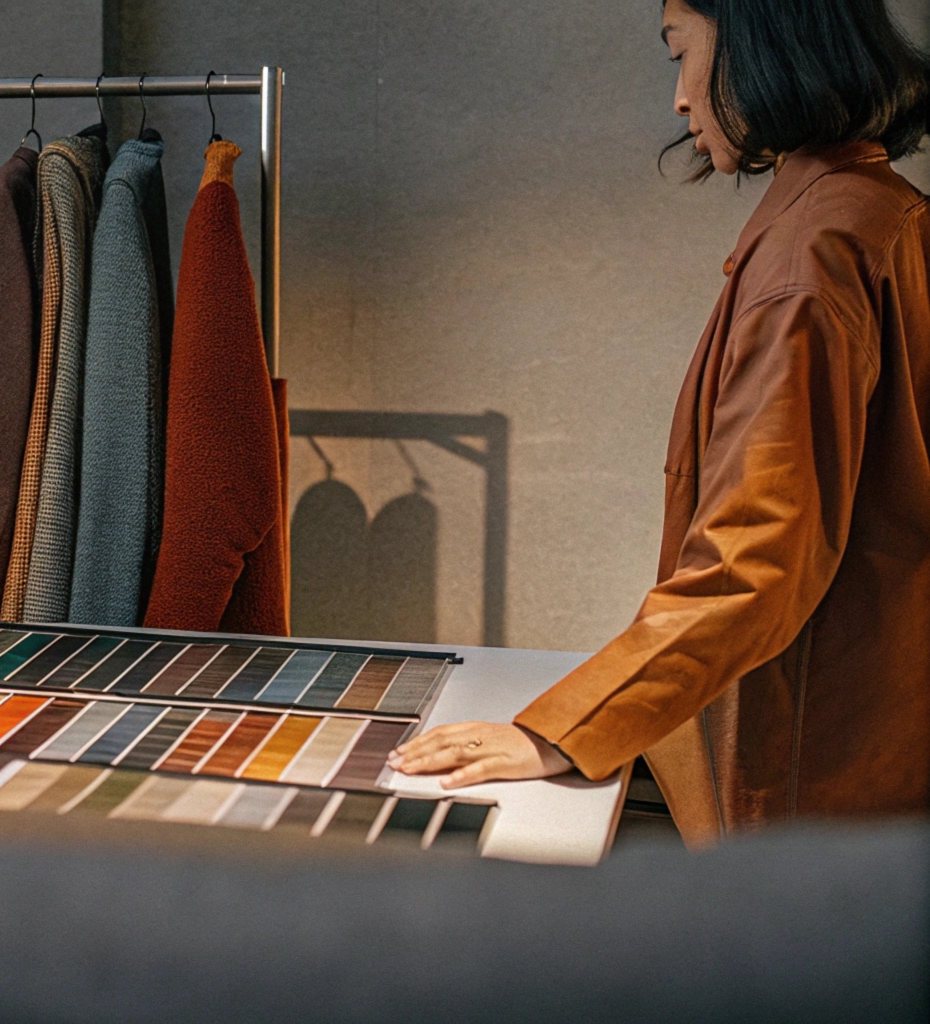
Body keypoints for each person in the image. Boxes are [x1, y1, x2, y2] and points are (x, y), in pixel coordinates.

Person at [391, 0, 930, 844]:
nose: (681, 98)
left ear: (760, 41)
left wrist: (556, 731)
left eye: (682, 54)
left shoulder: (811, 255)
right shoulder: (883, 213)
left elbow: (756, 564)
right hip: (873, 748)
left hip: (808, 781)